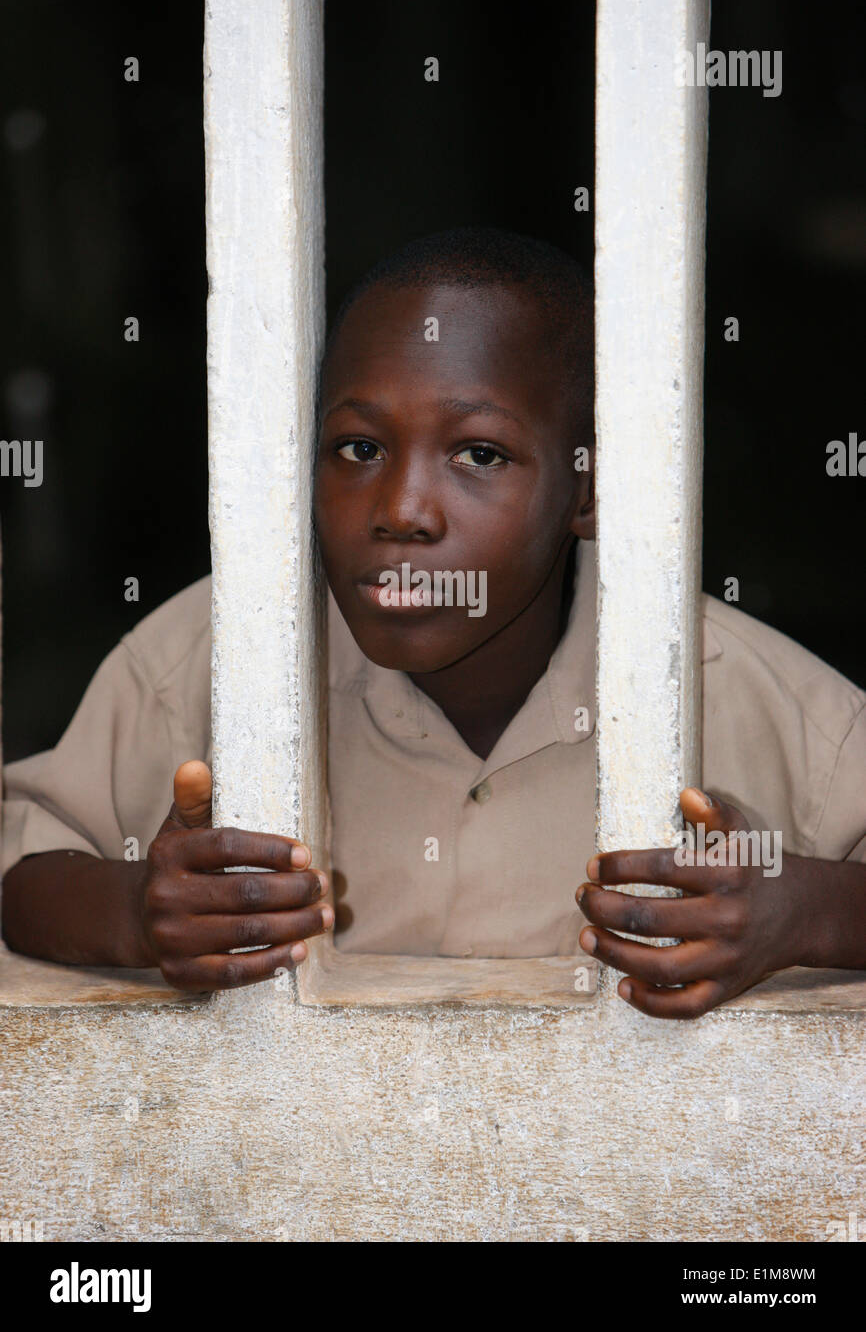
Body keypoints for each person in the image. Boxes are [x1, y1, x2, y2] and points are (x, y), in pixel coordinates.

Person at [3, 227, 866, 1019]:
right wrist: (138, 914)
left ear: (590, 490)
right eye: (359, 449)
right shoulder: (210, 657)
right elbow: (25, 877)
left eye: (479, 455)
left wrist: (806, 912)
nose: (402, 510)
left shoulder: (749, 693)